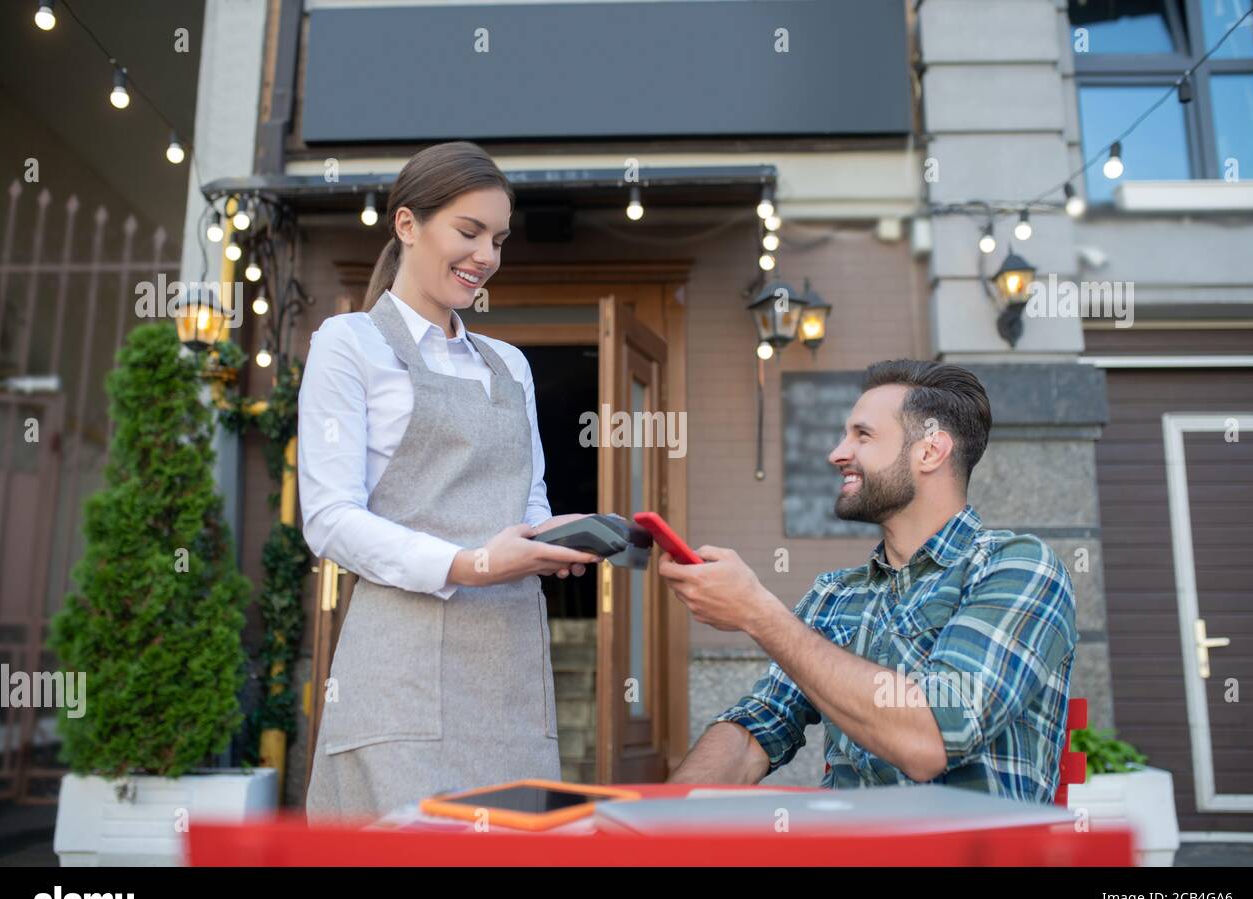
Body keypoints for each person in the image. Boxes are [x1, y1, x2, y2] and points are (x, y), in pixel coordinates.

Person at [299, 141, 599, 822]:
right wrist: (469, 563)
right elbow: (329, 518)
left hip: (509, 669)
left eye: (497, 239)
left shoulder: (510, 365)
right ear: (408, 224)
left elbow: (527, 500)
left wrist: (550, 538)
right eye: (469, 232)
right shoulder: (350, 345)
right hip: (399, 669)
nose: (487, 255)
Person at [660, 359, 1078, 803]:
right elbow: (755, 733)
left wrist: (758, 613)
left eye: (863, 435)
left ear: (930, 452)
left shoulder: (1017, 568)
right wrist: (653, 827)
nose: (837, 453)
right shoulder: (835, 594)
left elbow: (932, 738)